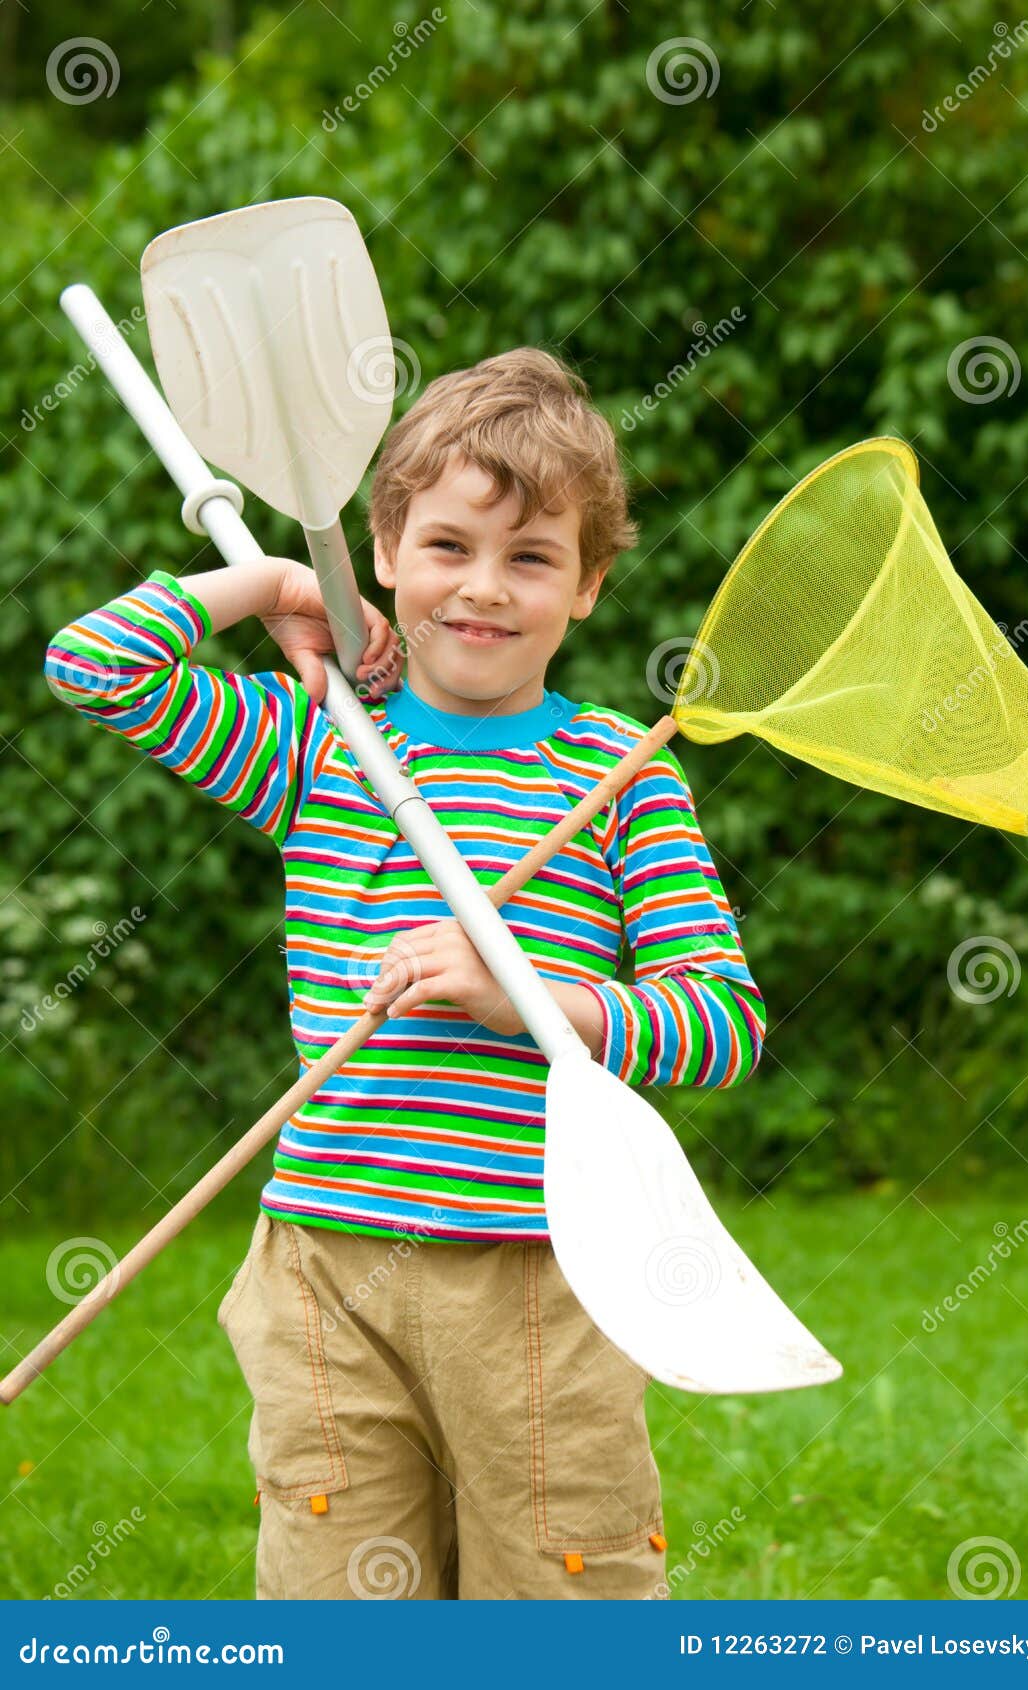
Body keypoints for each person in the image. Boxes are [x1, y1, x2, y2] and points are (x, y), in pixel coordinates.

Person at [43, 346, 766, 1600]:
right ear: (380, 550)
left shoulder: (623, 774)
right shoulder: (325, 743)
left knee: (561, 1602)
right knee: (341, 1605)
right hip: (328, 1269)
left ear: (588, 585)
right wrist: (266, 580)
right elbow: (95, 667)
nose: (482, 589)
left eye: (532, 558)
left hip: (543, 1272)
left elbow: (721, 1022)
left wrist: (529, 1001)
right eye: (445, 547)